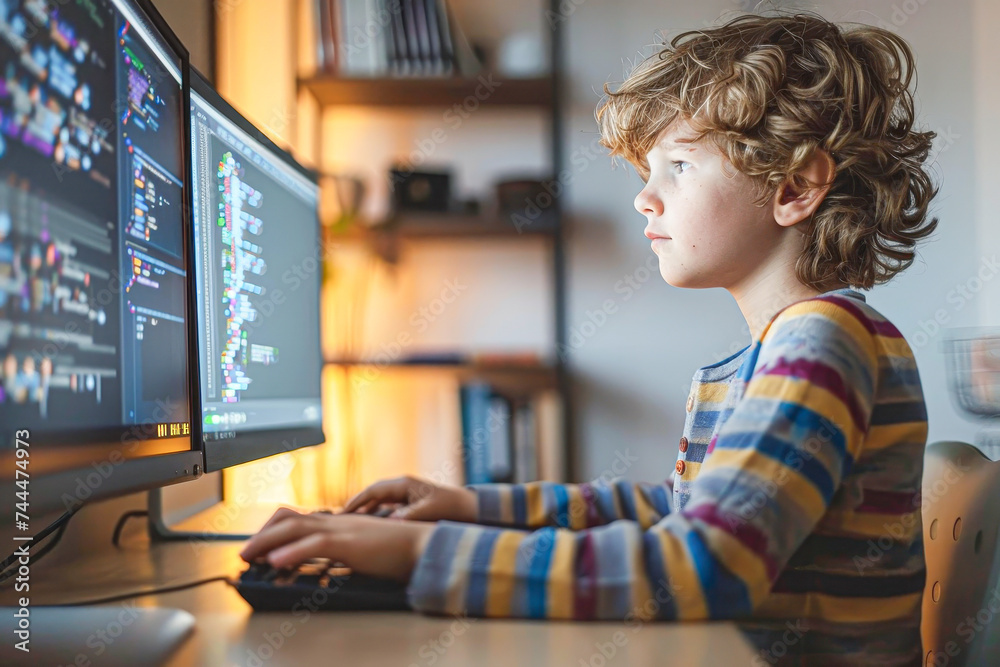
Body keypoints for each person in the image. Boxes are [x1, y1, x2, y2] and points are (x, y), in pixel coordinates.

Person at [241, 12, 935, 663]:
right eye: (645, 174)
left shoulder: (822, 342)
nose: (644, 197)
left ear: (793, 187)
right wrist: (469, 505)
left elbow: (707, 567)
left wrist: (416, 551)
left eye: (679, 167)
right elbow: (673, 507)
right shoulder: (788, 347)